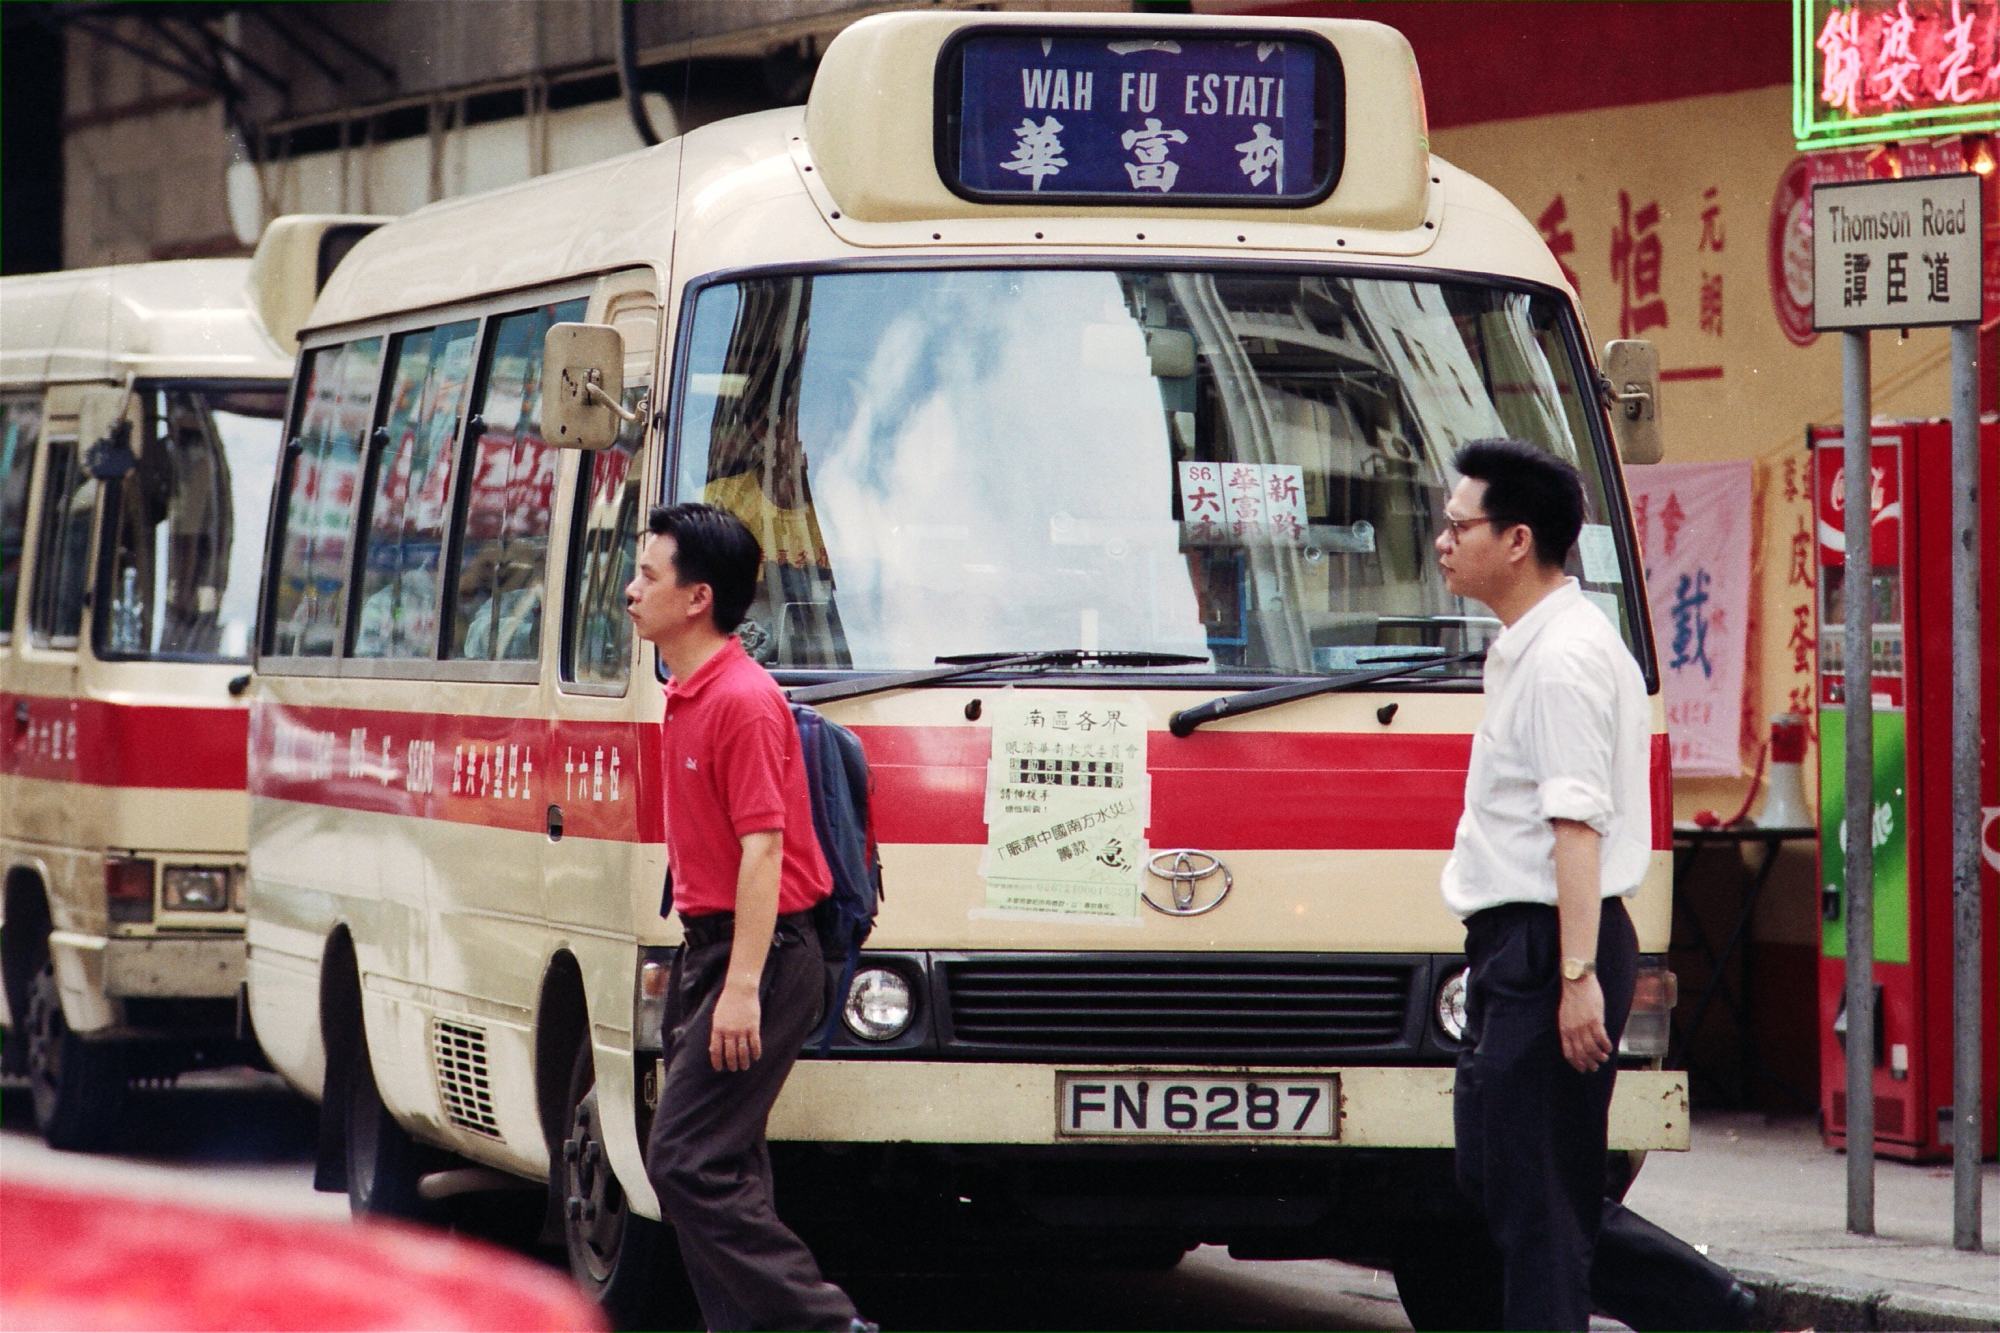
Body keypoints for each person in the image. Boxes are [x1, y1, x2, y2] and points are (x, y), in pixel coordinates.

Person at [1435, 439, 1759, 1332]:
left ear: (1517, 540)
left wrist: (1575, 976)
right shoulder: (1526, 647)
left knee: (1536, 1203)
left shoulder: (1563, 659)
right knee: (1510, 1177)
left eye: (1459, 524)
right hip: (1527, 943)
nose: (1442, 540)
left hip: (1552, 942)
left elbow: (1576, 825)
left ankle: (1721, 1317)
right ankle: (1724, 1317)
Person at [625, 501, 871, 1333]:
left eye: (648, 575)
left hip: (762, 956)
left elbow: (765, 855)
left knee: (683, 1160)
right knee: (724, 1164)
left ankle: (825, 1323)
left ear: (697, 598)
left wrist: (741, 988)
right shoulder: (686, 691)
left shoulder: (741, 699)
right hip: (716, 950)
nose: (630, 590)